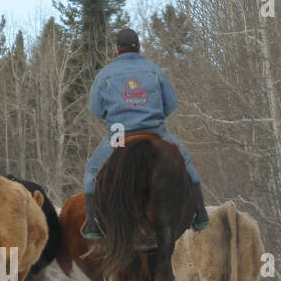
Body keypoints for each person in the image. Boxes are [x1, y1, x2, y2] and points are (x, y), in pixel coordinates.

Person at [81, 28, 208, 239]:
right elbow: (171, 104)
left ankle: (92, 223)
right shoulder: (155, 71)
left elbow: (95, 109)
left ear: (117, 49)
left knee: (92, 171)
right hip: (154, 130)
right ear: (138, 47)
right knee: (185, 161)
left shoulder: (105, 74)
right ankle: (201, 213)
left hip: (120, 134)